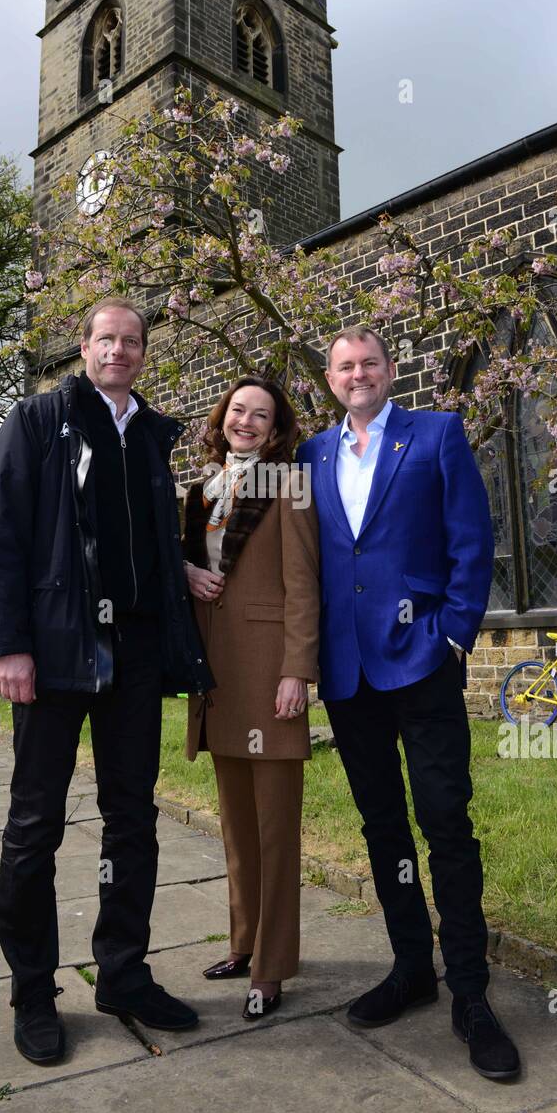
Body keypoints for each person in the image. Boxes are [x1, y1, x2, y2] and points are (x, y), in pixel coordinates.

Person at [0, 298, 214, 1065]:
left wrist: (177, 575)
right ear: (83, 348)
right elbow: (2, 533)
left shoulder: (148, 434)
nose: (118, 350)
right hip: (55, 651)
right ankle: (32, 992)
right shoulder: (38, 419)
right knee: (34, 824)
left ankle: (123, 974)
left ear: (143, 352)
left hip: (135, 652)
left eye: (131, 340)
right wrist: (8, 645)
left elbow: (145, 537)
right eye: (105, 339)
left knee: (132, 818)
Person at [297, 323, 520, 1080]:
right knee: (382, 825)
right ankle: (410, 967)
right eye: (344, 366)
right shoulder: (310, 456)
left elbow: (471, 540)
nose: (357, 374)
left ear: (389, 370)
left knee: (444, 820)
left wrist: (453, 634)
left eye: (369, 362)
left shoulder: (436, 435)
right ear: (331, 379)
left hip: (422, 660)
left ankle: (470, 992)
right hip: (348, 670)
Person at [182, 376, 320, 1019]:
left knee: (274, 830)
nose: (246, 421)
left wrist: (297, 671)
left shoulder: (291, 484)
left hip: (268, 673)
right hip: (216, 672)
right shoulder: (202, 490)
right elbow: (187, 567)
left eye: (261, 415)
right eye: (238, 409)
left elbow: (304, 584)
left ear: (275, 428)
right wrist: (187, 571)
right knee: (236, 826)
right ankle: (243, 942)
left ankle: (271, 966)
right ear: (223, 417)